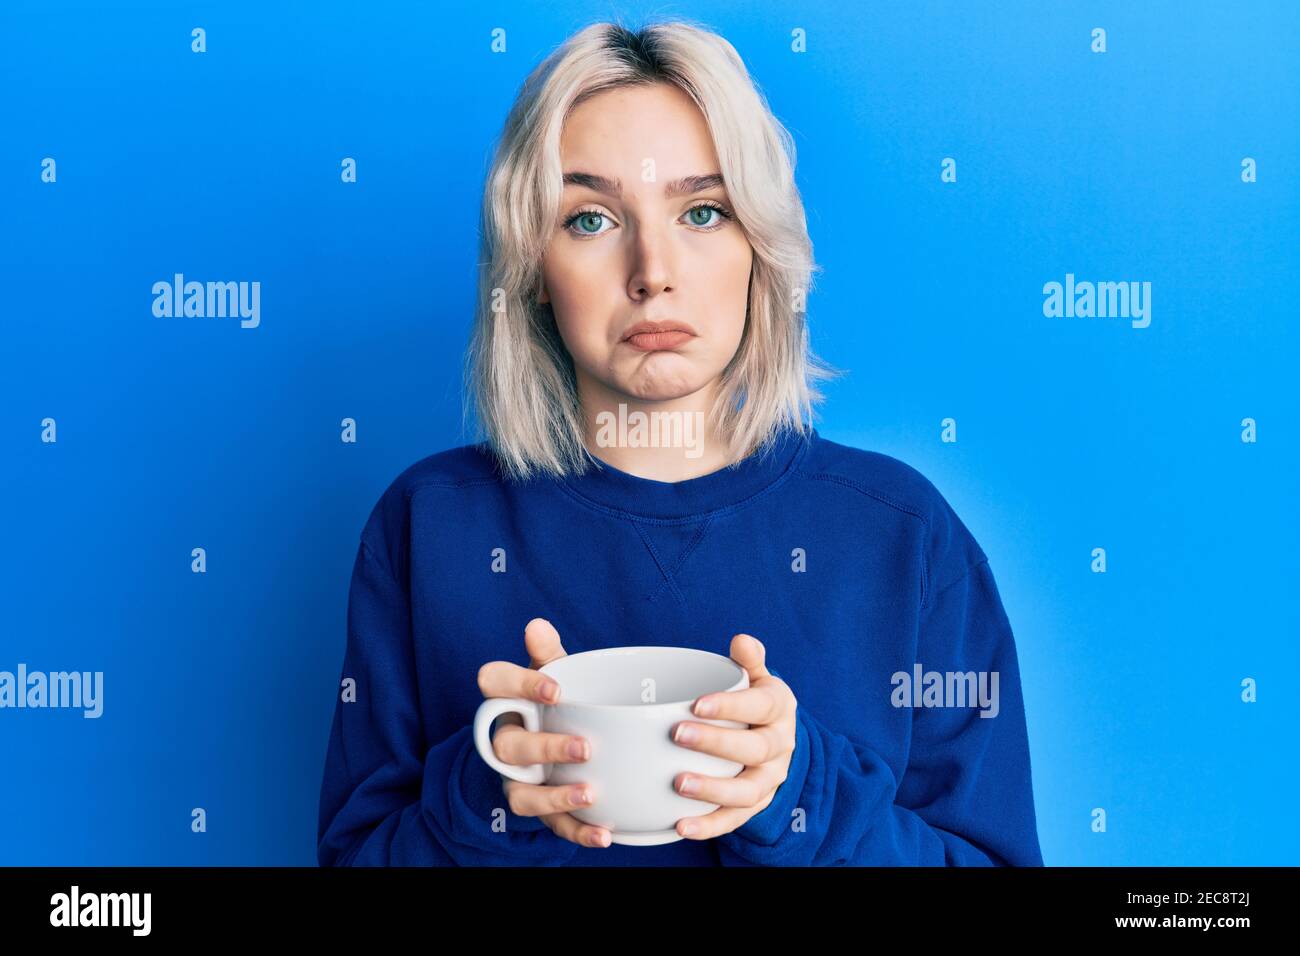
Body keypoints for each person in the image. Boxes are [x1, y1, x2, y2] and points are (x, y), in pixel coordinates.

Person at [316, 17, 1044, 866]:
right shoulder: (427, 526)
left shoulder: (904, 536)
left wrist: (799, 788)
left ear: (760, 250)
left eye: (703, 211)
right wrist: (488, 796)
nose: (652, 269)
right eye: (589, 219)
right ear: (532, 272)